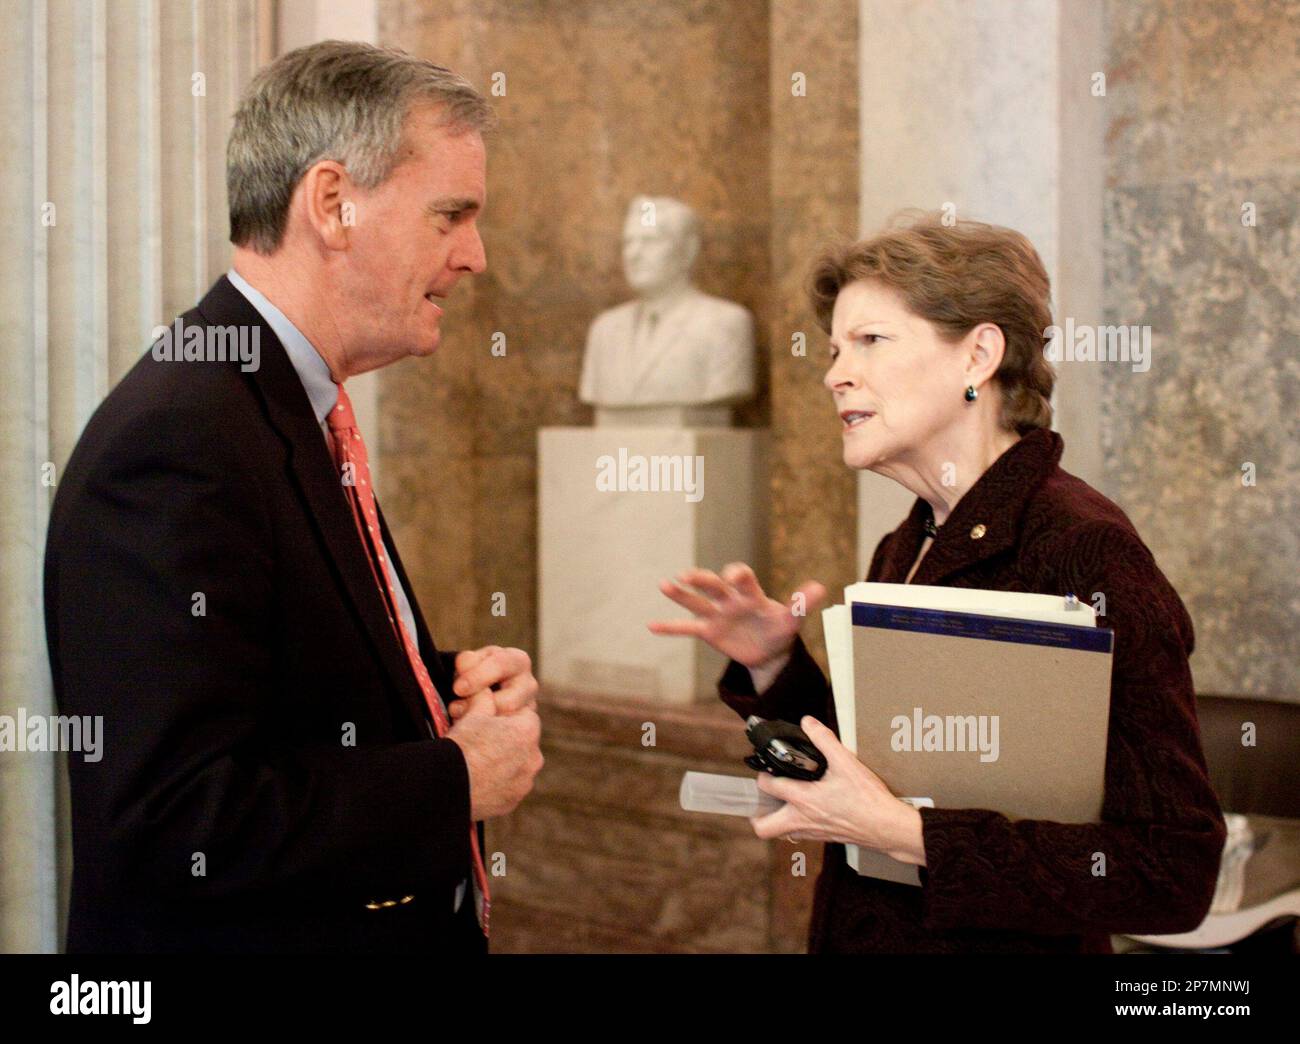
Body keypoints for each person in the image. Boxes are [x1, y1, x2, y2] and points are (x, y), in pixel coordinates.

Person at [44, 41, 542, 954]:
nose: (473, 256)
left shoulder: (274, 400)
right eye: (451, 216)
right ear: (331, 204)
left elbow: (280, 681)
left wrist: (439, 689)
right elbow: (175, 819)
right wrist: (455, 780)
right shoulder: (182, 438)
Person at [649, 213, 1227, 953]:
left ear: (978, 355)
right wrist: (773, 664)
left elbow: (1170, 870)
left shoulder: (1084, 552)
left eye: (871, 341)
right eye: (833, 349)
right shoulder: (909, 539)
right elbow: (883, 766)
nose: (833, 373)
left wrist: (908, 833)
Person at [578, 195, 755, 415]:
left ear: (688, 250)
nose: (634, 254)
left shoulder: (723, 324)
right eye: (628, 242)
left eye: (650, 241)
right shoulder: (605, 330)